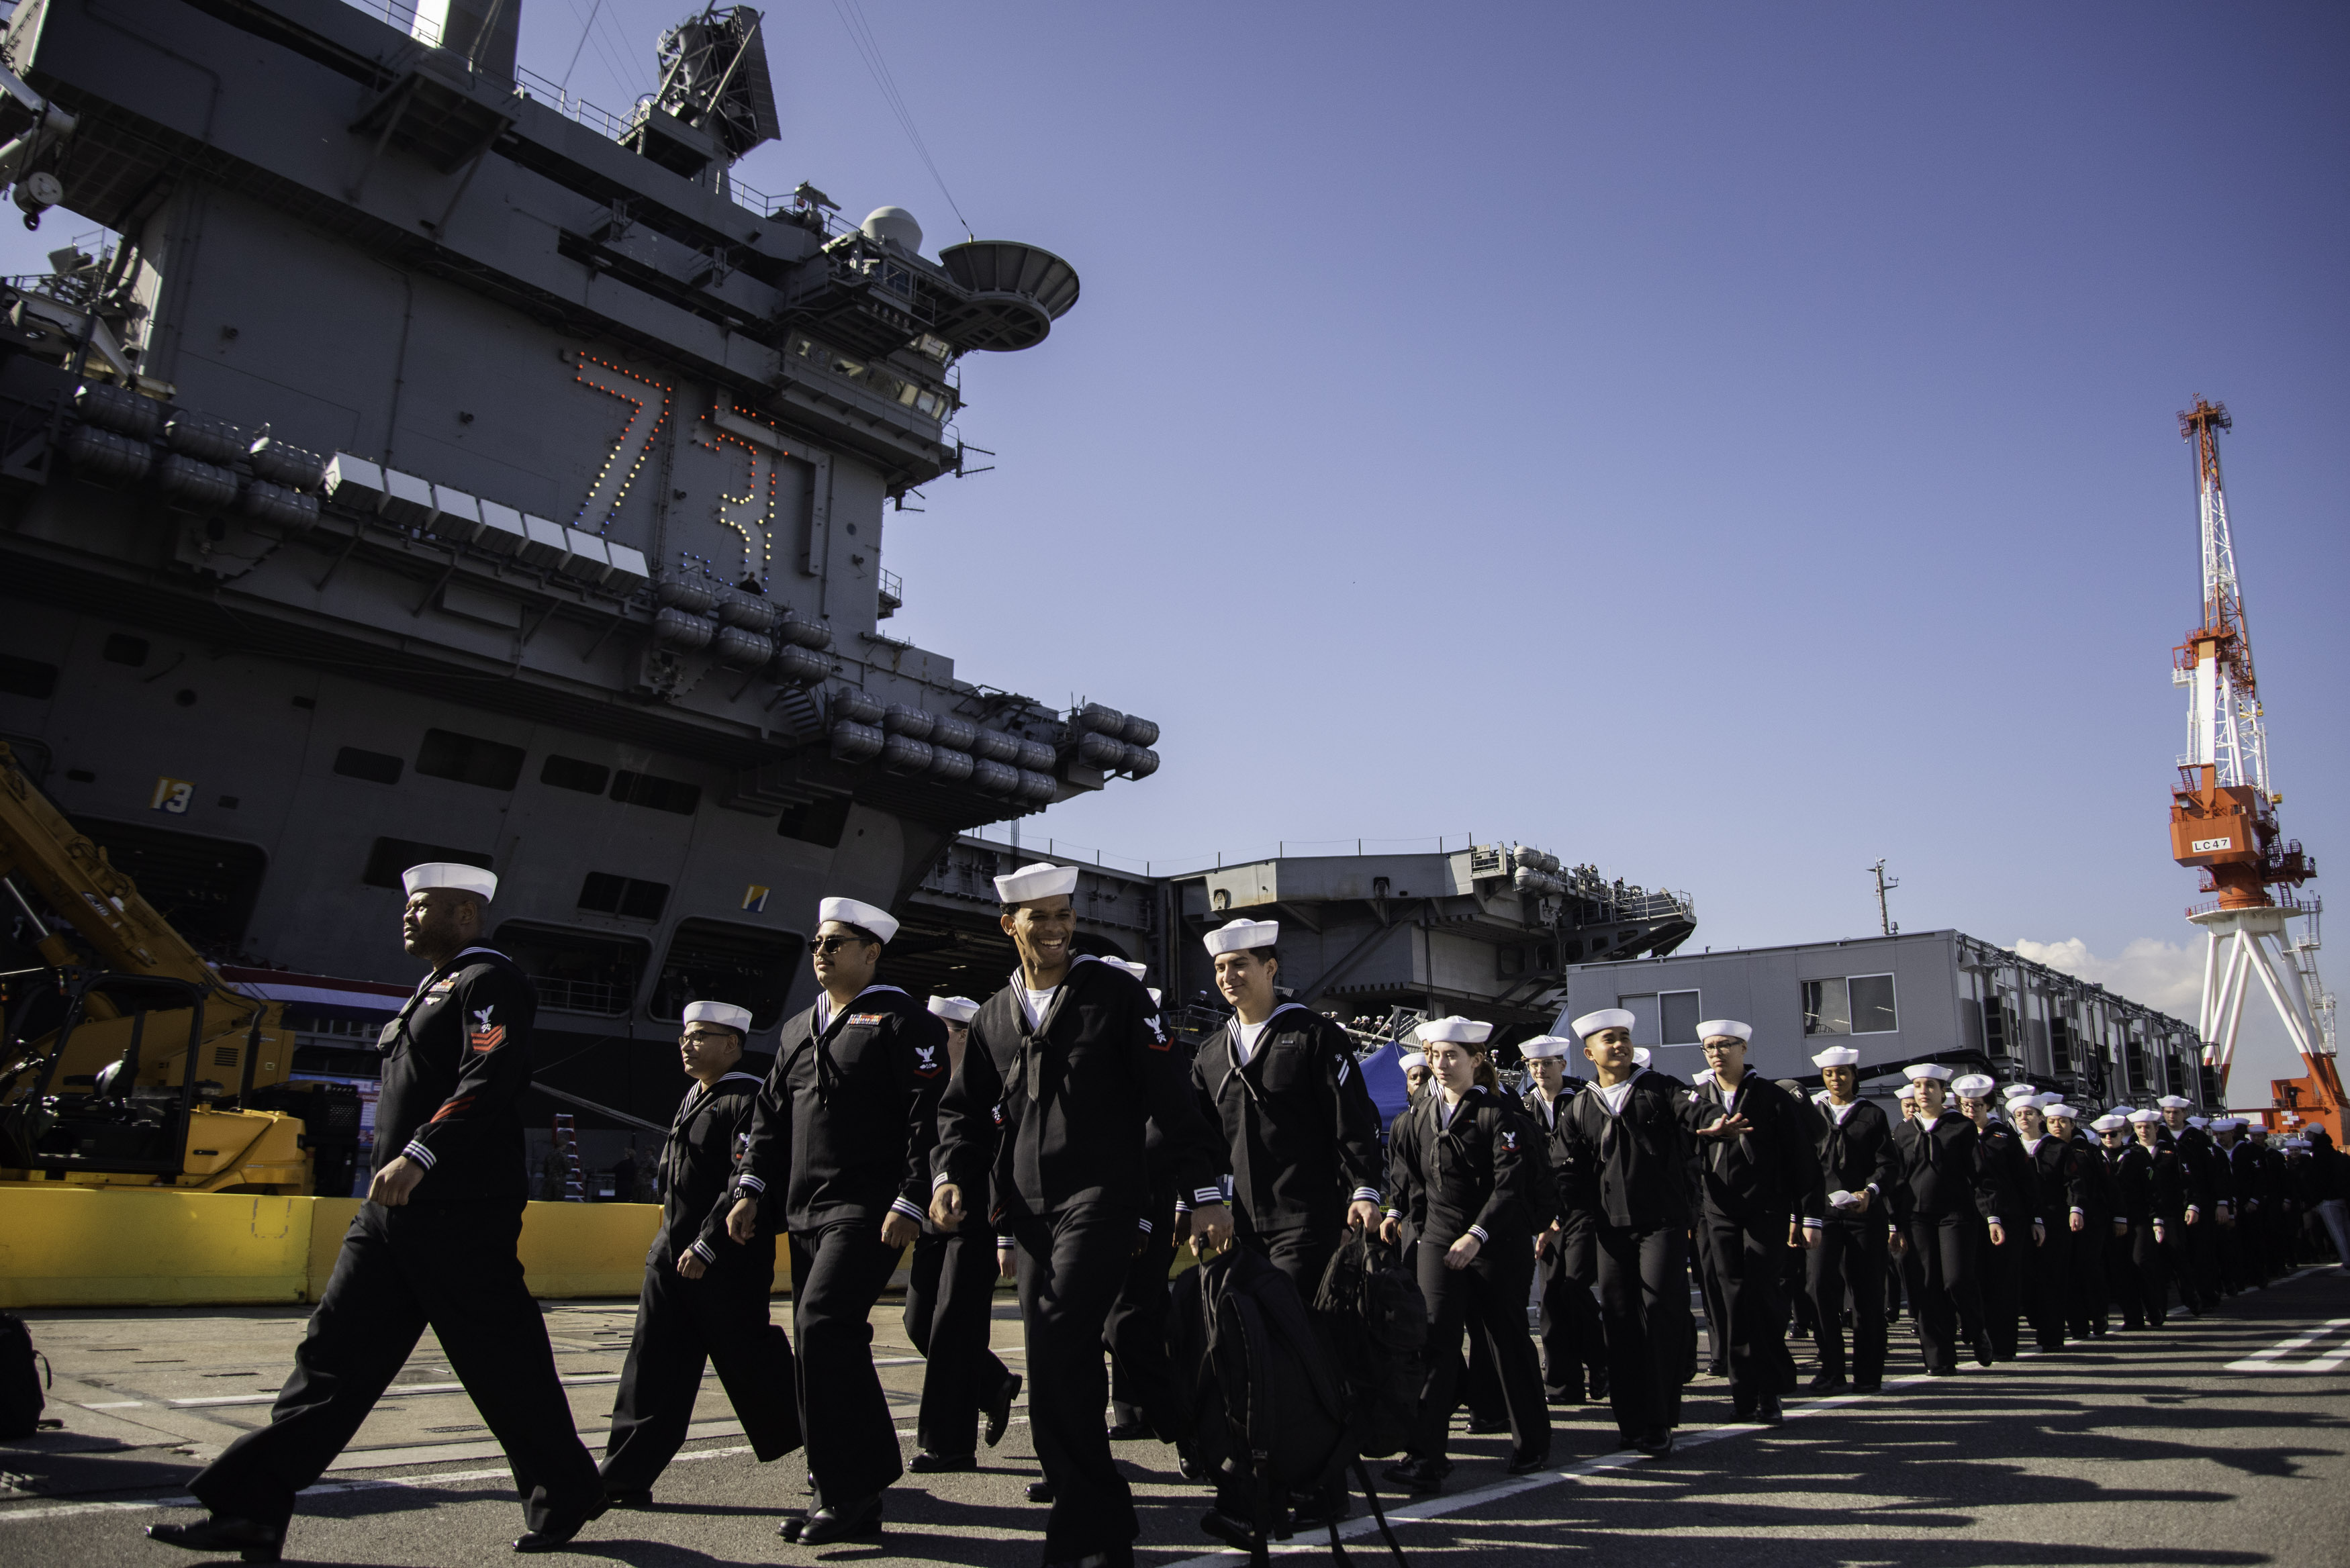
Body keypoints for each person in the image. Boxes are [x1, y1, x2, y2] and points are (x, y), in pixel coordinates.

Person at [150, 864, 606, 1562]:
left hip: (458, 1208)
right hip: (392, 1210)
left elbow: (491, 1074)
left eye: (422, 905)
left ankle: (567, 1490)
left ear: (464, 912)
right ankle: (252, 1510)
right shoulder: (433, 987)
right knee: (331, 1356)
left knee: (500, 1362)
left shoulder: (488, 981)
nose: (407, 915)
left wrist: (424, 1151)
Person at [930, 862, 1230, 1568]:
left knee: (1063, 1337)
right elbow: (962, 1112)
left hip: (1102, 1198)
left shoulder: (1115, 995)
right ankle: (1100, 1519)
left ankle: (1087, 1523)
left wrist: (1205, 1192)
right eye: (1039, 916)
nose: (1057, 927)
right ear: (1009, 925)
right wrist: (950, 1177)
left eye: (1064, 913)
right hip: (1030, 1209)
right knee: (1053, 1363)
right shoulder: (994, 1015)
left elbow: (1170, 1096)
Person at [724, 896, 947, 1545]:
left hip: (868, 1209)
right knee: (816, 1339)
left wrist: (912, 1198)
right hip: (803, 1209)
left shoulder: (905, 1021)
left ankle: (852, 1490)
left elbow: (928, 1117)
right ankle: (844, 1488)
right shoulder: (799, 1028)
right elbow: (768, 1119)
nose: (820, 953)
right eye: (817, 943)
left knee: (824, 1324)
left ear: (871, 953)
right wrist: (749, 1189)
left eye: (835, 943)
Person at [1188, 919, 1384, 1528]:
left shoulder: (1314, 1035)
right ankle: (1268, 1484)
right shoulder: (1210, 1054)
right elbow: (1197, 1140)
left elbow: (1353, 1118)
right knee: (1249, 1358)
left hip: (1306, 1219)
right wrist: (1196, 1203)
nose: (1229, 977)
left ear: (1271, 968)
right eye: (1221, 968)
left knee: (1299, 1352)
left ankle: (1324, 1486)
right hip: (1242, 1228)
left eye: (1241, 965)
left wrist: (1365, 1189)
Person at [600, 1001, 801, 1505]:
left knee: (752, 1363)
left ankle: (832, 1445)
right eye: (684, 1037)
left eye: (699, 1037)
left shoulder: (747, 1100)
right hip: (671, 1259)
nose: (686, 1045)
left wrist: (707, 1244)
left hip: (725, 1262)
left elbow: (745, 1178)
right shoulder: (696, 1095)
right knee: (651, 1367)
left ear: (731, 1044)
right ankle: (624, 1476)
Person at [1378, 1017, 1548, 1492]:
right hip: (1438, 1239)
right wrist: (1397, 1214)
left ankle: (1532, 1443)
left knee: (1505, 1341)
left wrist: (1477, 1236)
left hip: (1497, 1244)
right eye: (1435, 1055)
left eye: (1452, 1055)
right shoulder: (1418, 1117)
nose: (1441, 1064)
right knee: (1434, 1342)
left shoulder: (1499, 1115)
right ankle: (1426, 1456)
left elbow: (1510, 1186)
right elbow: (1411, 1178)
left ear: (1477, 1060)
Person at [1554, 1009, 1699, 1457]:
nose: (1619, 1044)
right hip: (1609, 1229)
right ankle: (1631, 1421)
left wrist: (1712, 1121)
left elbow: (1694, 1109)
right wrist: (1556, 1209)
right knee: (1618, 1321)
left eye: (1624, 1037)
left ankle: (1659, 1420)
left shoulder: (1659, 1088)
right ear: (1589, 1054)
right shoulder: (1581, 1105)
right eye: (1609, 1039)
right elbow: (1564, 1167)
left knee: (1659, 1313)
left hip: (1662, 1224)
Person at [903, 995, 1021, 1473]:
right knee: (918, 1321)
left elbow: (1005, 1161)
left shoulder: (990, 1090)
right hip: (933, 1219)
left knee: (955, 1323)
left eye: (942, 1031)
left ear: (963, 1037)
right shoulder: (924, 1084)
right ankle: (994, 1383)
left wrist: (1004, 1232)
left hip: (978, 1218)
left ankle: (948, 1444)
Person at [1685, 1020, 1822, 1424]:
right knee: (1732, 1300)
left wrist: (1808, 1215)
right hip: (1718, 1213)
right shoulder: (1698, 1099)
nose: (1716, 1053)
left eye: (1724, 1045)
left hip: (1766, 1211)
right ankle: (1743, 1391)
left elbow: (1801, 1158)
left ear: (1743, 1048)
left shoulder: (1772, 1096)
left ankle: (1769, 1389)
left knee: (1762, 1295)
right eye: (1709, 1047)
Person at [1890, 1063, 1995, 1375]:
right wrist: (1894, 1223)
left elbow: (1979, 1175)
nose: (1923, 1092)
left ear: (1942, 1092)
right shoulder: (1904, 1131)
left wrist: (1992, 1216)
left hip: (1955, 1215)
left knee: (1956, 1279)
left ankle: (1976, 1328)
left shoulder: (1960, 1127)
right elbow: (1897, 1180)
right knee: (1926, 1285)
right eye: (1918, 1086)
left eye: (1930, 1086)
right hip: (1916, 1218)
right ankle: (1939, 1359)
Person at [1808, 1046, 1900, 1394]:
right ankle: (1831, 1368)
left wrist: (1870, 1192)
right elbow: (1803, 1164)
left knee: (1867, 1294)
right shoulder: (1813, 1114)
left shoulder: (1872, 1114)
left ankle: (1868, 1373)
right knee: (1819, 1287)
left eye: (1843, 1073)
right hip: (1823, 1216)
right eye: (1829, 1074)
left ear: (1854, 1075)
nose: (1836, 1079)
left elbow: (1887, 1164)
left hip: (1864, 1216)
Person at [1521, 1036, 1607, 1406]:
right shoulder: (1524, 1106)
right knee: (1552, 1299)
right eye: (1533, 1065)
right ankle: (1562, 1383)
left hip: (1584, 1206)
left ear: (1563, 1064)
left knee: (1574, 1287)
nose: (1540, 1070)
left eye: (1547, 1063)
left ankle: (1601, 1359)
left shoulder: (1584, 1099)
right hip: (1546, 1213)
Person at [1955, 1075, 2029, 1362]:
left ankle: (2004, 1345)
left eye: (1976, 1105)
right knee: (1972, 1279)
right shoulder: (1956, 1134)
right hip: (1969, 1217)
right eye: (1965, 1105)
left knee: (2003, 1282)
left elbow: (2024, 1179)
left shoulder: (2003, 1136)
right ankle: (1980, 1336)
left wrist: (2034, 1218)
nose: (1970, 1110)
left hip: (2007, 1217)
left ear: (1988, 1106)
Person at [2012, 1101, 2085, 1353]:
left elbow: (2073, 1181)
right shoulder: (2012, 1145)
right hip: (2021, 1219)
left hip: (2054, 1219)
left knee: (2052, 1277)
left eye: (2029, 1113)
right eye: (2019, 1115)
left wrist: (2075, 1208)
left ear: (2040, 1117)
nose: (2024, 1118)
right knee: (2026, 1277)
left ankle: (2051, 1335)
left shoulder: (2058, 1147)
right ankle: (2036, 1319)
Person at [2047, 1104, 2117, 1340]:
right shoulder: (2046, 1148)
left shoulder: (2087, 1150)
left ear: (2073, 1124)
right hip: (2059, 1219)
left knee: (2088, 1267)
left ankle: (2098, 1314)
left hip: (2091, 1218)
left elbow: (2108, 1184)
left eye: (2062, 1121)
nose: (2057, 1126)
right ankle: (2077, 1323)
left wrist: (2118, 1215)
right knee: (2066, 1271)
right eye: (2052, 1122)